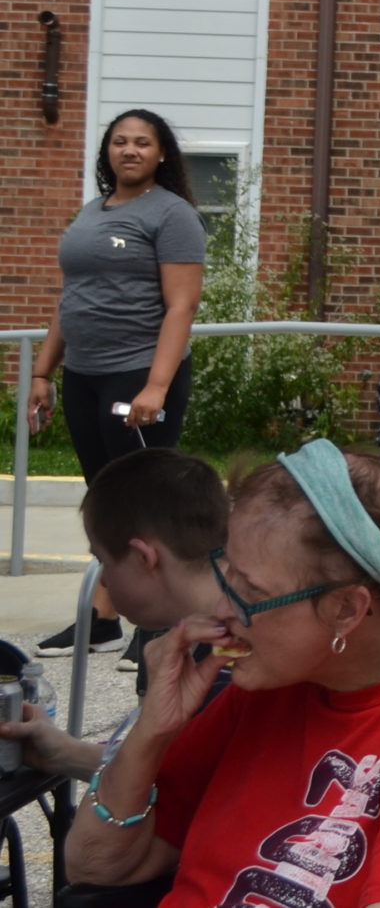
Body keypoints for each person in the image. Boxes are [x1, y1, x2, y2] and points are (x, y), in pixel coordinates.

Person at [61, 438, 380, 908]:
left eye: (250, 592)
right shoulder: (274, 683)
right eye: (228, 578)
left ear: (346, 609)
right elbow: (95, 865)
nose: (224, 610)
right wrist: (152, 732)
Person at [29, 109, 206, 660]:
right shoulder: (92, 212)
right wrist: (42, 371)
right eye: (120, 142)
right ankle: (104, 618)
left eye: (142, 143)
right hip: (84, 374)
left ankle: (161, 621)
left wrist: (156, 385)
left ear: (160, 155)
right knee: (107, 501)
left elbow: (182, 305)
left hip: (137, 372)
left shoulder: (172, 214)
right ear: (107, 151)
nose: (129, 150)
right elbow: (70, 299)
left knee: (147, 503)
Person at [0, 447, 229, 786]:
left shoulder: (232, 661)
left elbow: (188, 789)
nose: (104, 581)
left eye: (103, 560)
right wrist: (63, 753)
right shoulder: (221, 628)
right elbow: (174, 767)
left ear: (142, 557)